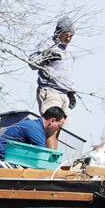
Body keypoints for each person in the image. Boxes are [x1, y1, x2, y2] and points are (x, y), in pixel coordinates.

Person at [28, 16, 77, 150]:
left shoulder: (70, 50)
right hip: (50, 91)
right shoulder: (47, 44)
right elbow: (32, 63)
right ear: (58, 33)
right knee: (51, 127)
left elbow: (67, 73)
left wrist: (71, 92)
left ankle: (52, 158)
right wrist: (46, 55)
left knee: (61, 128)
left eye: (71, 35)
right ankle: (48, 163)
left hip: (64, 94)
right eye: (66, 35)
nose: (68, 38)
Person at [0, 107, 67, 166]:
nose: (58, 129)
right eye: (59, 126)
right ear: (52, 121)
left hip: (0, 160)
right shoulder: (35, 129)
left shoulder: (34, 125)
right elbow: (44, 159)